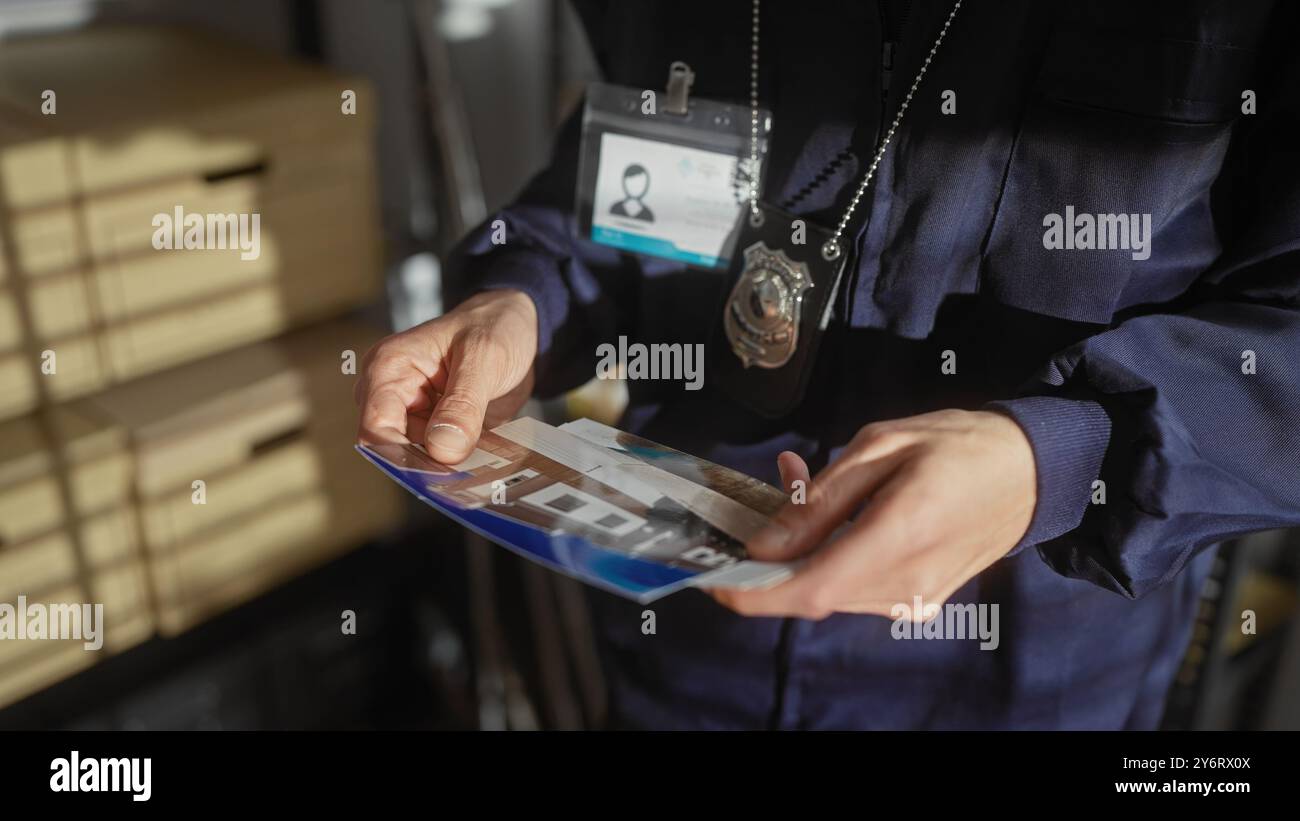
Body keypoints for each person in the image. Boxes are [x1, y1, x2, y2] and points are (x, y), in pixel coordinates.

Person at [356, 0, 1300, 729]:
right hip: (678, 639)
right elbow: (645, 167)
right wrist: (526, 292)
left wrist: (1058, 461)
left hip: (1028, 673)